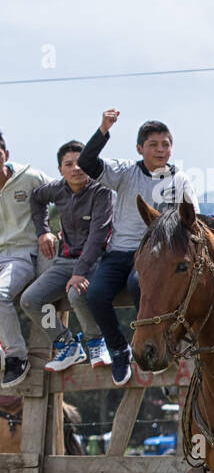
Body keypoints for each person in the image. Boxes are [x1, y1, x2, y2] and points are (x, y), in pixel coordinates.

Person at [77, 111, 196, 386]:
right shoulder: (125, 171)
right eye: (153, 144)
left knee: (138, 285)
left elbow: (193, 222)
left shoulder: (180, 180)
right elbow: (86, 162)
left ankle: (160, 344)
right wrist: (104, 129)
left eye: (166, 144)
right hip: (119, 251)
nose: (160, 150)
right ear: (139, 148)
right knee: (94, 294)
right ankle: (119, 349)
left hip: (155, 255)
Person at [23, 140, 114, 372]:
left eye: (81, 162)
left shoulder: (101, 191)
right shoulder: (56, 189)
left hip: (97, 261)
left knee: (76, 294)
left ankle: (96, 342)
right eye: (69, 164)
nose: (76, 168)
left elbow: (97, 238)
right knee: (30, 300)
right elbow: (36, 198)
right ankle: (67, 344)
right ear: (60, 170)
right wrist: (43, 232)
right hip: (64, 262)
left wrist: (80, 272)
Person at [0, 130, 53, 386]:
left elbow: (65, 194)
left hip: (22, 254)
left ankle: (16, 357)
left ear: (5, 154)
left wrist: (56, 232)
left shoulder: (29, 177)